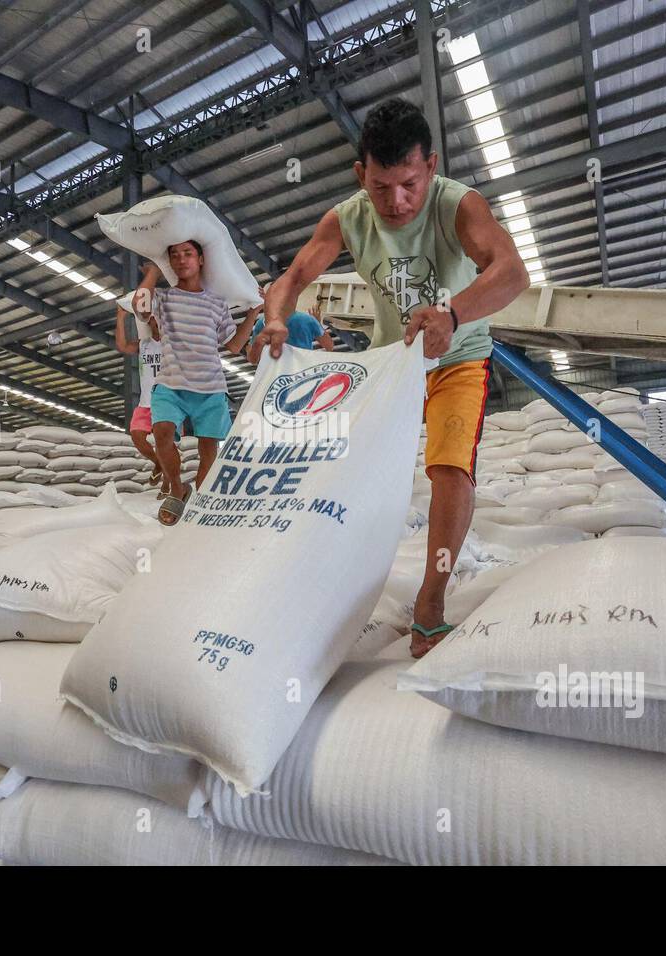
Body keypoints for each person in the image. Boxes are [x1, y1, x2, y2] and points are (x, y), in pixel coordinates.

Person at [255, 97, 530, 659]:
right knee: (343, 472)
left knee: (449, 466)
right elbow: (291, 278)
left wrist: (453, 315)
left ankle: (430, 603)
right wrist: (278, 320)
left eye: (409, 183)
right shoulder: (347, 218)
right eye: (381, 187)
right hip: (389, 364)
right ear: (362, 175)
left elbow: (513, 273)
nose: (397, 201)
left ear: (430, 166)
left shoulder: (459, 206)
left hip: (459, 356)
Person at [134, 240, 259, 526]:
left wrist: (253, 314)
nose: (181, 260)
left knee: (208, 450)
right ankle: (177, 489)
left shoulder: (217, 303)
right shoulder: (163, 298)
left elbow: (234, 345)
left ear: (201, 260)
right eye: (174, 256)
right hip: (171, 383)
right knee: (162, 431)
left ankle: (200, 504)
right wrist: (152, 273)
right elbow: (140, 309)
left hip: (210, 387)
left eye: (188, 254)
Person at [112, 280, 169, 496]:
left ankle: (168, 486)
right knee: (136, 436)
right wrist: (121, 317)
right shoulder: (144, 344)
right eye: (154, 321)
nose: (157, 325)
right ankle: (159, 464)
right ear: (150, 323)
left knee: (167, 445)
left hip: (167, 402)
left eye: (160, 322)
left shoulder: (173, 343)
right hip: (145, 403)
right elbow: (123, 346)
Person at [245, 297, 334, 366]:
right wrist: (318, 324)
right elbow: (329, 346)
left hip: (275, 372)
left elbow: (253, 359)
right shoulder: (307, 319)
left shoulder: (262, 323)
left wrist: (249, 349)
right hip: (301, 370)